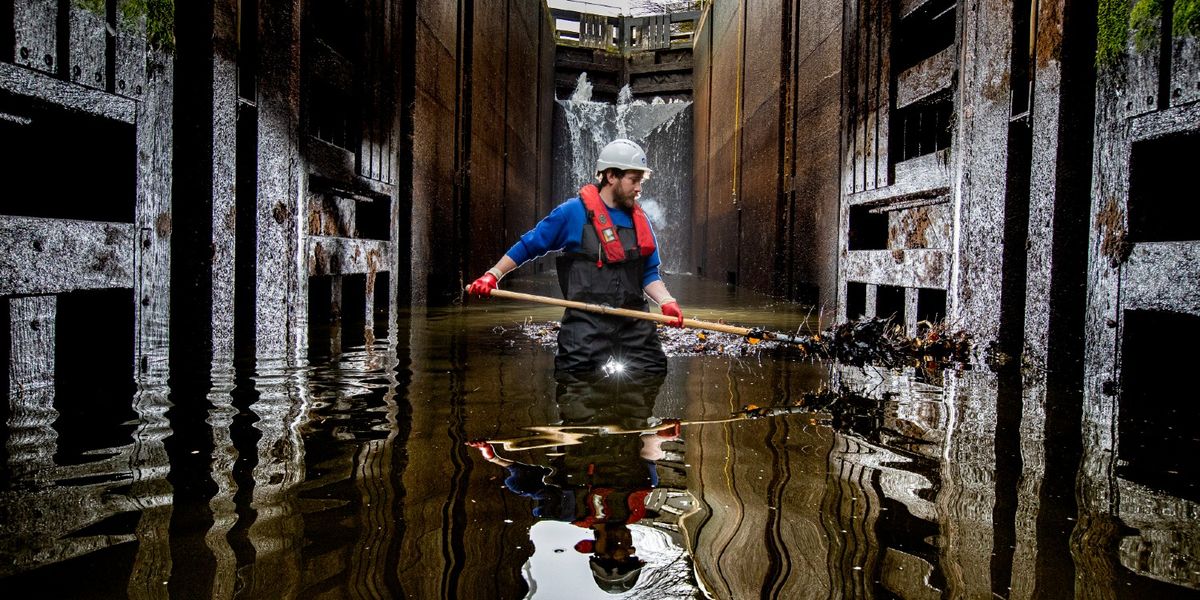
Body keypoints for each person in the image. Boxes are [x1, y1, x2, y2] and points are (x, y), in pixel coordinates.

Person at [467, 138, 683, 374]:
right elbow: (529, 245)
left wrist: (666, 301)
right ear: (611, 176)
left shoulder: (640, 221)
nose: (639, 188)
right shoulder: (572, 212)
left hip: (633, 321)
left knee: (652, 374)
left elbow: (649, 274)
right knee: (576, 387)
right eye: (634, 180)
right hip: (585, 323)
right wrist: (493, 275)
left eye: (641, 181)